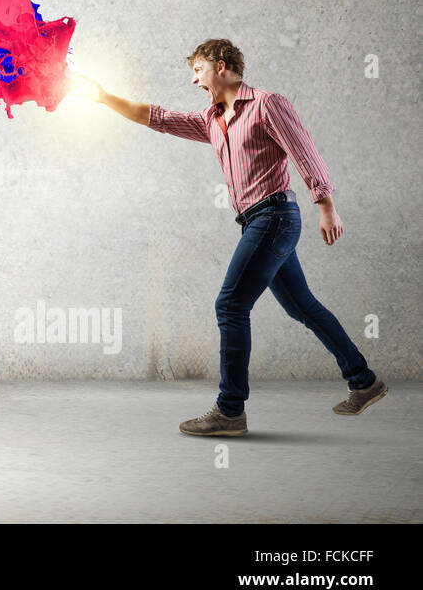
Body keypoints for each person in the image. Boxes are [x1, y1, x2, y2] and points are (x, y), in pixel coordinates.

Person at [74, 39, 386, 436]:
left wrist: (326, 205)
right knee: (302, 306)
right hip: (259, 220)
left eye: (198, 71)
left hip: (274, 216)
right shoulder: (212, 120)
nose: (194, 80)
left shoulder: (266, 104)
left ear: (221, 67)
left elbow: (303, 150)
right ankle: (363, 380)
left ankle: (230, 410)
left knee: (230, 305)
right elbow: (158, 117)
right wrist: (103, 98)